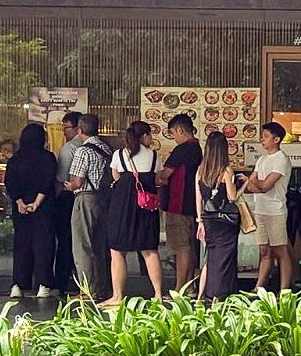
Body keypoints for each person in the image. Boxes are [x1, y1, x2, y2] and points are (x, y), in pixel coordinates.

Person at [102, 120, 164, 307]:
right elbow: (157, 178)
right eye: (150, 135)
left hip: (121, 207)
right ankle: (158, 294)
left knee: (117, 251)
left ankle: (118, 296)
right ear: (144, 136)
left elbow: (115, 176)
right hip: (146, 208)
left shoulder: (119, 155)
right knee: (149, 250)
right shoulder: (154, 156)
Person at [5, 122, 59, 300]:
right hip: (44, 208)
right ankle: (43, 284)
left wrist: (20, 202)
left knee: (22, 245)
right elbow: (47, 180)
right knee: (43, 244)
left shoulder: (15, 159)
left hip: (20, 209)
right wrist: (36, 203)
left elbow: (10, 182)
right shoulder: (48, 157)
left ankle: (18, 285)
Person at [65, 113, 113, 300]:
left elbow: (77, 182)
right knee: (101, 245)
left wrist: (67, 186)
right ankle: (103, 287)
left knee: (83, 245)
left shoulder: (82, 150)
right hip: (103, 199)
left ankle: (87, 289)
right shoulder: (106, 148)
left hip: (85, 198)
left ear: (80, 130)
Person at [244, 121, 294, 293]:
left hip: (276, 211)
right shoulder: (262, 159)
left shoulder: (282, 159)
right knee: (264, 250)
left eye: (266, 136)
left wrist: (254, 182)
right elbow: (251, 185)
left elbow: (265, 186)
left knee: (280, 250)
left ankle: (285, 289)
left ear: (277, 139)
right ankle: (259, 287)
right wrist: (255, 183)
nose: (262, 139)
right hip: (260, 210)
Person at [196, 130, 244, 303]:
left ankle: (202, 295)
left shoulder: (201, 171)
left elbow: (199, 198)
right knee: (225, 260)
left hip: (208, 221)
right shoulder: (226, 171)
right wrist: (244, 183)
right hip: (226, 222)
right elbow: (232, 197)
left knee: (212, 257)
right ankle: (218, 295)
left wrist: (200, 221)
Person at [159, 113, 202, 294]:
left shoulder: (182, 150)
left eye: (173, 133)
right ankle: (190, 286)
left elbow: (164, 175)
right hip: (192, 205)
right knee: (190, 246)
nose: (174, 138)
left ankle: (180, 288)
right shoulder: (197, 149)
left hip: (179, 204)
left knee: (181, 247)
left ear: (180, 130)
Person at [50, 111, 84, 294]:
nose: (63, 131)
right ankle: (85, 281)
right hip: (89, 199)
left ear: (79, 127)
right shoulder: (99, 146)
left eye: (66, 127)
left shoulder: (69, 148)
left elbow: (61, 180)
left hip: (67, 197)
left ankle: (61, 282)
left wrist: (54, 201)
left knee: (65, 240)